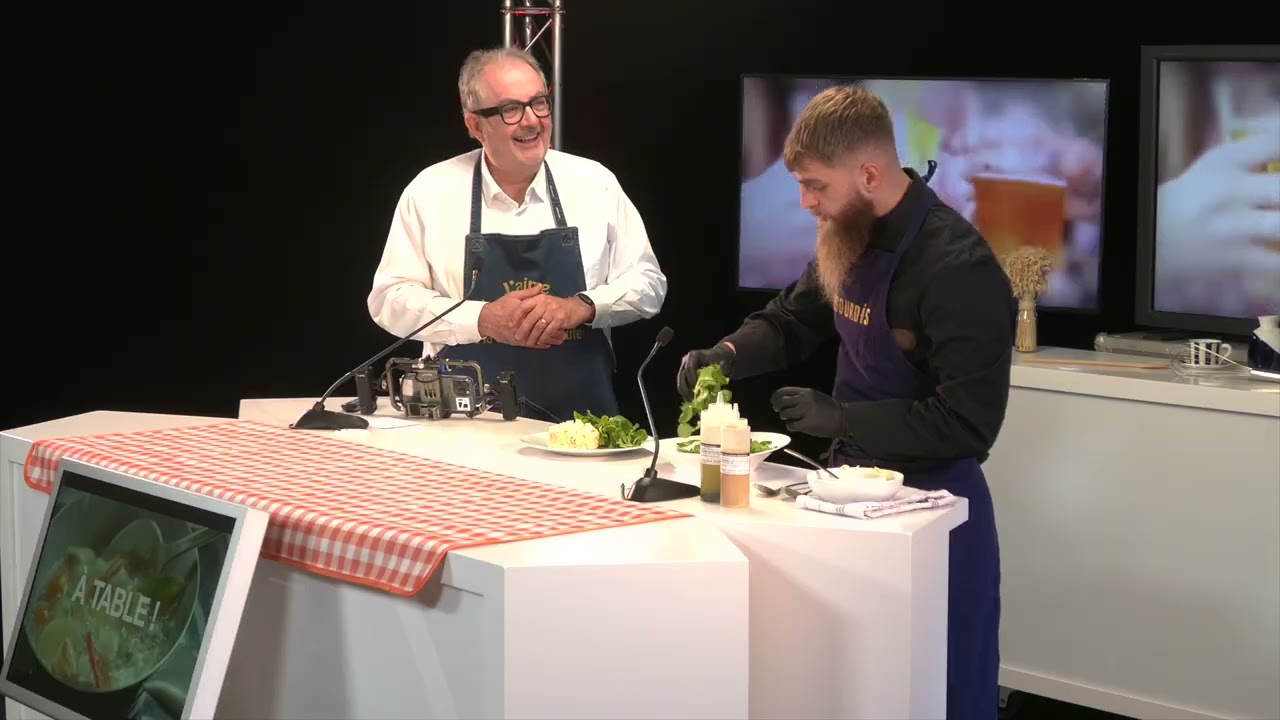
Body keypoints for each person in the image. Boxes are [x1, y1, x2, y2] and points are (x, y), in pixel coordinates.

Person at [677, 85, 1012, 720]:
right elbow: (790, 321)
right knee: (849, 688)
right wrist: (726, 354)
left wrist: (844, 418)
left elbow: (969, 424)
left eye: (815, 186)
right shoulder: (849, 231)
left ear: (869, 175)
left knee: (942, 690)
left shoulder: (959, 269)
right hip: (845, 495)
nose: (806, 203)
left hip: (935, 513)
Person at [368, 47, 667, 421]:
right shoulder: (430, 192)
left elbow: (649, 283)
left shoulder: (595, 183)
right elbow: (389, 299)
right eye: (511, 109)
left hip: (581, 425)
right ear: (475, 126)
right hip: (462, 429)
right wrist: (482, 319)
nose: (531, 121)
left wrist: (581, 306)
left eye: (539, 103)